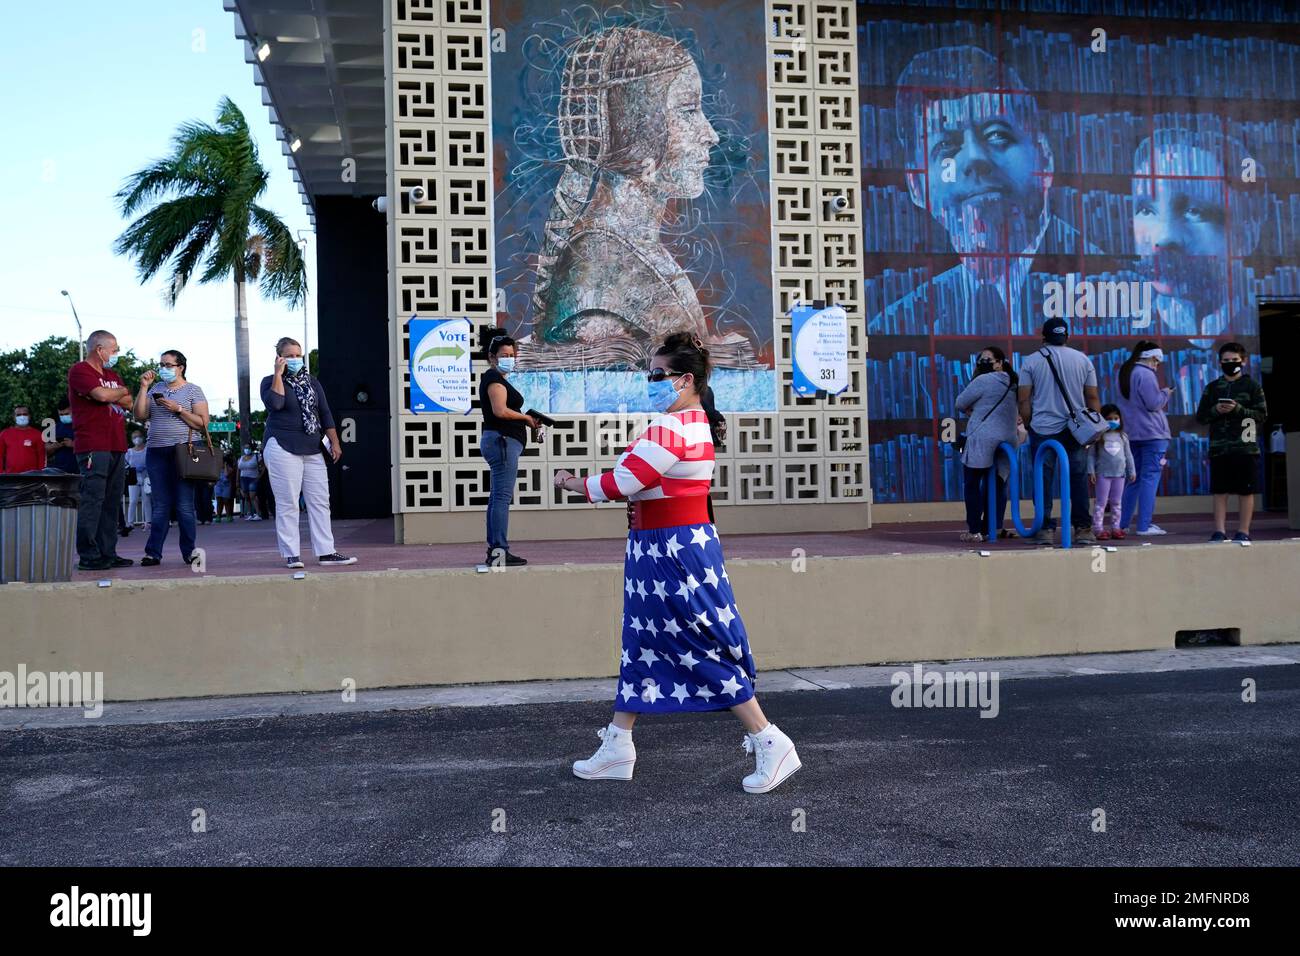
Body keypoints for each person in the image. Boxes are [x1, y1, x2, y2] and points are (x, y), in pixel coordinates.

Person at [554, 332, 801, 794]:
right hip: (660, 547)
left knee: (695, 641)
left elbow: (626, 480)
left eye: (657, 374)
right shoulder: (688, 424)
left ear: (685, 380)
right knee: (641, 641)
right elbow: (642, 482)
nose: (649, 382)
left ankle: (769, 739)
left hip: (672, 551)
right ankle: (618, 743)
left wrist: (570, 482)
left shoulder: (672, 427)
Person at [873, 46, 1103, 337]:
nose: (974, 158)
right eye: (946, 146)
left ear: (1044, 156)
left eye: (997, 135)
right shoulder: (895, 326)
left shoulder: (1120, 298)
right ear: (916, 186)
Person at [260, 337, 355, 568]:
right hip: (282, 445)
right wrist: (278, 374)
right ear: (279, 357)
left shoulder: (312, 382)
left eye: (297, 355)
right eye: (289, 355)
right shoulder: (269, 381)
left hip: (312, 447)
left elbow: (324, 412)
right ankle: (291, 554)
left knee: (320, 500)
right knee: (288, 502)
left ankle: (326, 552)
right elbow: (276, 404)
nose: (295, 359)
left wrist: (335, 442)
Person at [1017, 319, 1102, 545]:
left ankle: (1044, 529)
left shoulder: (1032, 361)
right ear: (1068, 336)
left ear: (1043, 336)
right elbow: (1092, 397)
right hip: (1076, 431)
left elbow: (1023, 399)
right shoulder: (1083, 360)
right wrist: (1095, 427)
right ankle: (1083, 529)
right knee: (1078, 480)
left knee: (1042, 480)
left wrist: (1028, 423)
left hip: (1043, 429)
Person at [132, 350, 208, 567]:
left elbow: (203, 423)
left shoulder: (193, 390)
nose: (163, 368)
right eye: (161, 364)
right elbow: (139, 415)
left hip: (183, 451)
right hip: (156, 451)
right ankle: (153, 552)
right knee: (161, 505)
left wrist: (179, 409)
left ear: (180, 367)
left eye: (168, 364)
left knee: (184, 505)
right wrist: (144, 386)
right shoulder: (155, 389)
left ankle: (190, 552)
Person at [68, 330, 134, 571]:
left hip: (117, 444)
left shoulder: (112, 374)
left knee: (112, 501)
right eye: (113, 349)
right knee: (93, 499)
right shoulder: (80, 371)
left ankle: (108, 552)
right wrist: (117, 393)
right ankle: (89, 555)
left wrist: (114, 395)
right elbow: (101, 394)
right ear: (99, 349)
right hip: (93, 445)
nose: (115, 353)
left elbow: (128, 401)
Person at [1196, 342, 1267, 542]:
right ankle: (1219, 531)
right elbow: (1201, 417)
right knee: (1220, 490)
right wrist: (1216, 411)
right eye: (1226, 361)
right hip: (1220, 447)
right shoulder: (1212, 388)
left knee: (1246, 490)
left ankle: (1243, 531)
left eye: (1234, 360)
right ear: (1219, 362)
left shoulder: (1252, 386)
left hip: (1246, 446)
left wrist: (1238, 410)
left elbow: (1261, 415)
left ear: (1243, 361)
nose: (1230, 364)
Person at [480, 334, 538, 566]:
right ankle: (499, 551)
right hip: (502, 441)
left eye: (512, 356)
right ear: (492, 357)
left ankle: (496, 550)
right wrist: (525, 418)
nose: (509, 359)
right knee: (502, 498)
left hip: (501, 441)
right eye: (504, 356)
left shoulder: (498, 378)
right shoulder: (494, 378)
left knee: (497, 498)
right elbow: (500, 410)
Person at [955, 348, 1019, 542]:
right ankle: (994, 527)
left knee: (972, 484)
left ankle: (974, 530)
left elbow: (960, 402)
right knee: (999, 484)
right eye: (981, 359)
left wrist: (974, 410)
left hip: (982, 438)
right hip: (1007, 439)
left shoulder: (982, 380)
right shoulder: (1014, 381)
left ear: (1000, 362)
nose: (984, 362)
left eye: (988, 359)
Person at [1116, 341, 1174, 535]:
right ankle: (1144, 525)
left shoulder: (1125, 372)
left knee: (1133, 479)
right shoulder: (1146, 374)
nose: (1157, 366)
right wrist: (1165, 393)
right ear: (1153, 358)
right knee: (1150, 478)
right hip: (1152, 434)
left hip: (1132, 434)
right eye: (1157, 362)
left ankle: (1122, 524)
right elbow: (1153, 403)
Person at [1088, 405, 1136, 540]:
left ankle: (1116, 527)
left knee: (1116, 502)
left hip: (1119, 475)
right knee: (1101, 503)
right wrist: (1091, 471)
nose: (1113, 421)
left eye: (1116, 418)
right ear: (1103, 420)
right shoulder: (1098, 437)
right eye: (1109, 418)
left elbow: (1129, 455)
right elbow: (1091, 455)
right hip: (1103, 474)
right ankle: (1098, 528)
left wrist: (1132, 471)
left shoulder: (1123, 437)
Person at [0, 405, 47, 473]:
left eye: (25, 414)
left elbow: (41, 457)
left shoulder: (37, 434)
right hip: (11, 477)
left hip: (32, 477)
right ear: (14, 417)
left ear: (29, 416)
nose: (22, 417)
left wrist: (41, 475)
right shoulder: (5, 434)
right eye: (18, 415)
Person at [124, 430, 149, 527]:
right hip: (133, 478)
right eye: (134, 437)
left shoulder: (146, 450)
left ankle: (148, 521)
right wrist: (132, 469)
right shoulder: (129, 452)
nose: (137, 439)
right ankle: (130, 522)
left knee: (146, 500)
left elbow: (150, 461)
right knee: (133, 500)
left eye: (138, 436)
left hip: (146, 477)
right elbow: (125, 464)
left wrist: (145, 467)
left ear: (142, 438)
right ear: (132, 439)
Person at [49, 397, 78, 473]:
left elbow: (92, 446)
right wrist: (53, 447)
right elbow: (46, 449)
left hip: (79, 469)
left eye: (66, 414)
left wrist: (73, 444)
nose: (64, 416)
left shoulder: (82, 426)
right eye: (61, 415)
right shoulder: (55, 427)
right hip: (60, 470)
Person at [237, 444, 263, 520]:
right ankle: (250, 514)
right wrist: (237, 481)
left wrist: (259, 476)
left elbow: (263, 466)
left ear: (251, 448)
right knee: (246, 497)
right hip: (243, 479)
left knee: (252, 496)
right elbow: (238, 470)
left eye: (248, 448)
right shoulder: (241, 458)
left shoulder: (256, 457)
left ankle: (258, 514)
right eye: (245, 448)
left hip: (253, 478)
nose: (246, 449)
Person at [214, 456, 236, 522]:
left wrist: (226, 466)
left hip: (226, 486)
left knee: (226, 500)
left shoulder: (229, 468)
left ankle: (228, 516)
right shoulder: (217, 468)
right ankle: (218, 516)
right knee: (219, 501)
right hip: (218, 485)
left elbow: (226, 475)